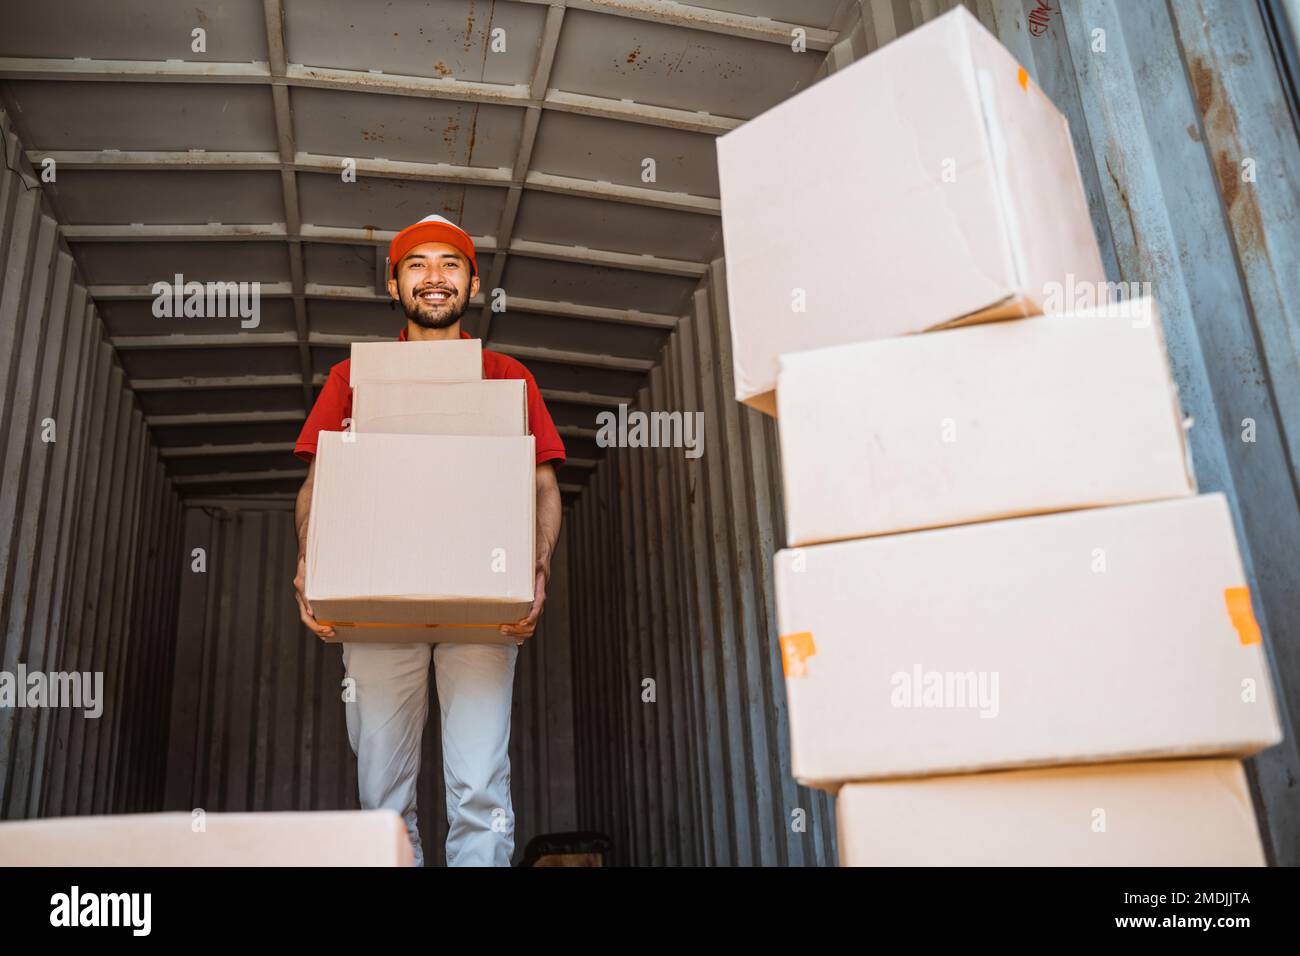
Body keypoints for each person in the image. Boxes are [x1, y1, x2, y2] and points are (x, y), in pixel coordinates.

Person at [291, 214, 565, 866]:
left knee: (480, 786)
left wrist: (538, 570)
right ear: (394, 284)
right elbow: (318, 485)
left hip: (483, 608)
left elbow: (543, 488)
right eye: (417, 265)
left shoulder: (507, 377)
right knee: (381, 790)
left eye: (450, 264)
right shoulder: (351, 378)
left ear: (473, 282)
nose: (434, 278)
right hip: (376, 605)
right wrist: (309, 564)